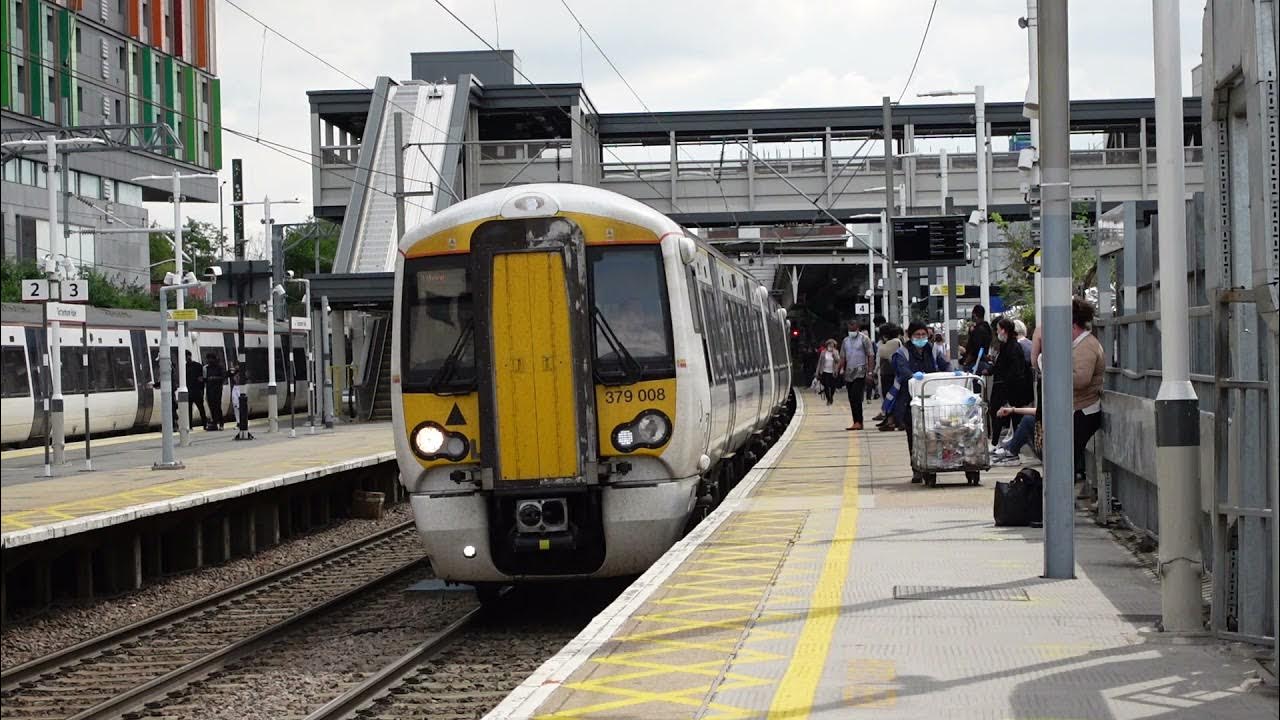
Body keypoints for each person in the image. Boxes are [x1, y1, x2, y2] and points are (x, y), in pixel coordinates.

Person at [882, 322, 950, 482]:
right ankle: (916, 467)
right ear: (910, 336)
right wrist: (914, 376)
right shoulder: (902, 353)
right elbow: (902, 371)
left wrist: (952, 372)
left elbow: (944, 364)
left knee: (934, 432)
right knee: (914, 434)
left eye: (923, 335)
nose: (921, 338)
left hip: (932, 399)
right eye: (917, 335)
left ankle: (932, 463)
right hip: (909, 401)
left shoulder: (932, 350)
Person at [1071, 297, 1105, 481]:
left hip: (1084, 409)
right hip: (1081, 407)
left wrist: (1055, 373)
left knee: (1071, 453)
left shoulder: (1086, 347)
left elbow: (1081, 379)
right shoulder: (1083, 344)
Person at [986, 317, 1032, 444]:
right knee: (1003, 416)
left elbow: (1015, 370)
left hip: (1009, 390)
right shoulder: (1007, 345)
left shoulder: (1013, 347)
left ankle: (1009, 445)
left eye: (998, 329)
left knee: (1006, 416)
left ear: (1004, 330)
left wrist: (1006, 384)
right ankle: (1000, 443)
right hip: (1006, 388)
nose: (997, 332)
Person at [839, 320, 874, 430]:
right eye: (849, 329)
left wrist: (869, 372)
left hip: (861, 371)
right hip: (849, 372)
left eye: (853, 328)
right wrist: (838, 369)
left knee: (856, 396)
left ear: (857, 327)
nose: (851, 331)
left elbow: (870, 355)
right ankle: (856, 421)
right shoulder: (845, 341)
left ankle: (859, 421)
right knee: (851, 398)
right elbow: (843, 357)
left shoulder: (864, 339)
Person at [873, 324, 902, 426]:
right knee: (887, 396)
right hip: (885, 372)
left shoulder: (894, 342)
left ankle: (892, 420)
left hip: (891, 373)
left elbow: (882, 353)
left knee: (890, 396)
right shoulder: (891, 342)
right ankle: (889, 418)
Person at [963, 304, 993, 373]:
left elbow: (975, 349)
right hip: (983, 360)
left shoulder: (977, 331)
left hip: (975, 363)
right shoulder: (987, 329)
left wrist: (966, 362)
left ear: (975, 315)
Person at [185, 350, 208, 430]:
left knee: (200, 408)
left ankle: (204, 424)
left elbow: (201, 379)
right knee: (191, 409)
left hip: (195, 391)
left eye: (187, 356)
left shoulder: (197, 366)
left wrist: (202, 390)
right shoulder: (185, 367)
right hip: (191, 391)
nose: (187, 358)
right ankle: (192, 425)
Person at [204, 352, 226, 430]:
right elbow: (206, 378)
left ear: (213, 359)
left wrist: (214, 378)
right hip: (209, 390)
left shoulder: (219, 367)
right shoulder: (207, 368)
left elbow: (223, 377)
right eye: (208, 359)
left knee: (217, 406)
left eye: (210, 359)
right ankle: (214, 423)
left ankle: (221, 423)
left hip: (217, 390)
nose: (209, 360)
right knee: (211, 406)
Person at [815, 339, 840, 406]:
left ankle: (831, 396)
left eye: (832, 346)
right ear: (827, 345)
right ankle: (828, 399)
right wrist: (817, 372)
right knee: (826, 385)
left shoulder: (836, 352)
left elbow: (838, 361)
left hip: (833, 372)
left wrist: (834, 355)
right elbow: (819, 362)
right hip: (825, 371)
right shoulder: (823, 352)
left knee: (833, 386)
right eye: (829, 345)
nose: (830, 347)